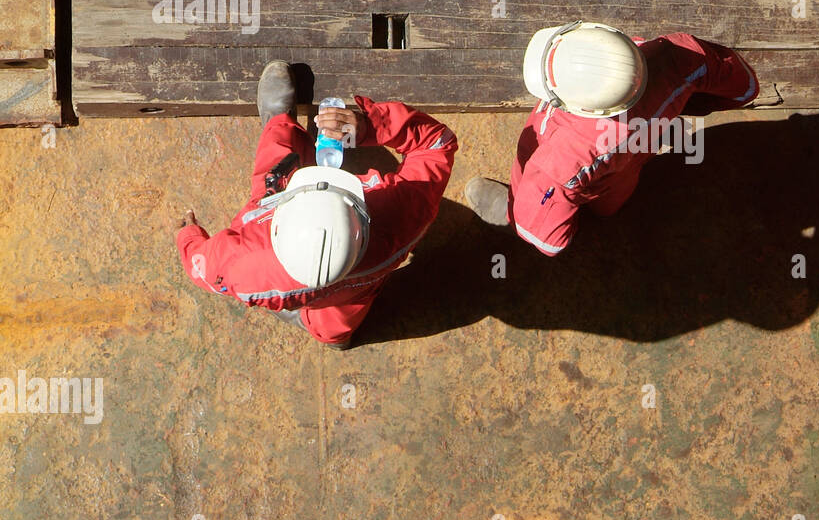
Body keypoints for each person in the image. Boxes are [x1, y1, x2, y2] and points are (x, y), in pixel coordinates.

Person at [176, 60, 457, 349]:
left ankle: (279, 122)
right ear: (360, 218)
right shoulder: (399, 221)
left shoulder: (239, 265)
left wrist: (188, 235)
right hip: (362, 278)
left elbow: (201, 268)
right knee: (341, 317)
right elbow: (437, 144)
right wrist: (369, 127)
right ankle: (335, 337)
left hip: (277, 280)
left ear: (277, 223)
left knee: (275, 163)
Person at [464, 21, 757, 255]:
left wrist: (528, 218)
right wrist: (670, 108)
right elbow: (745, 88)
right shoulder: (679, 54)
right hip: (628, 165)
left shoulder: (558, 163)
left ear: (581, 105)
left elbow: (548, 241)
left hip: (574, 178)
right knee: (613, 198)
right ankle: (606, 210)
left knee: (533, 199)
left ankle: (512, 210)